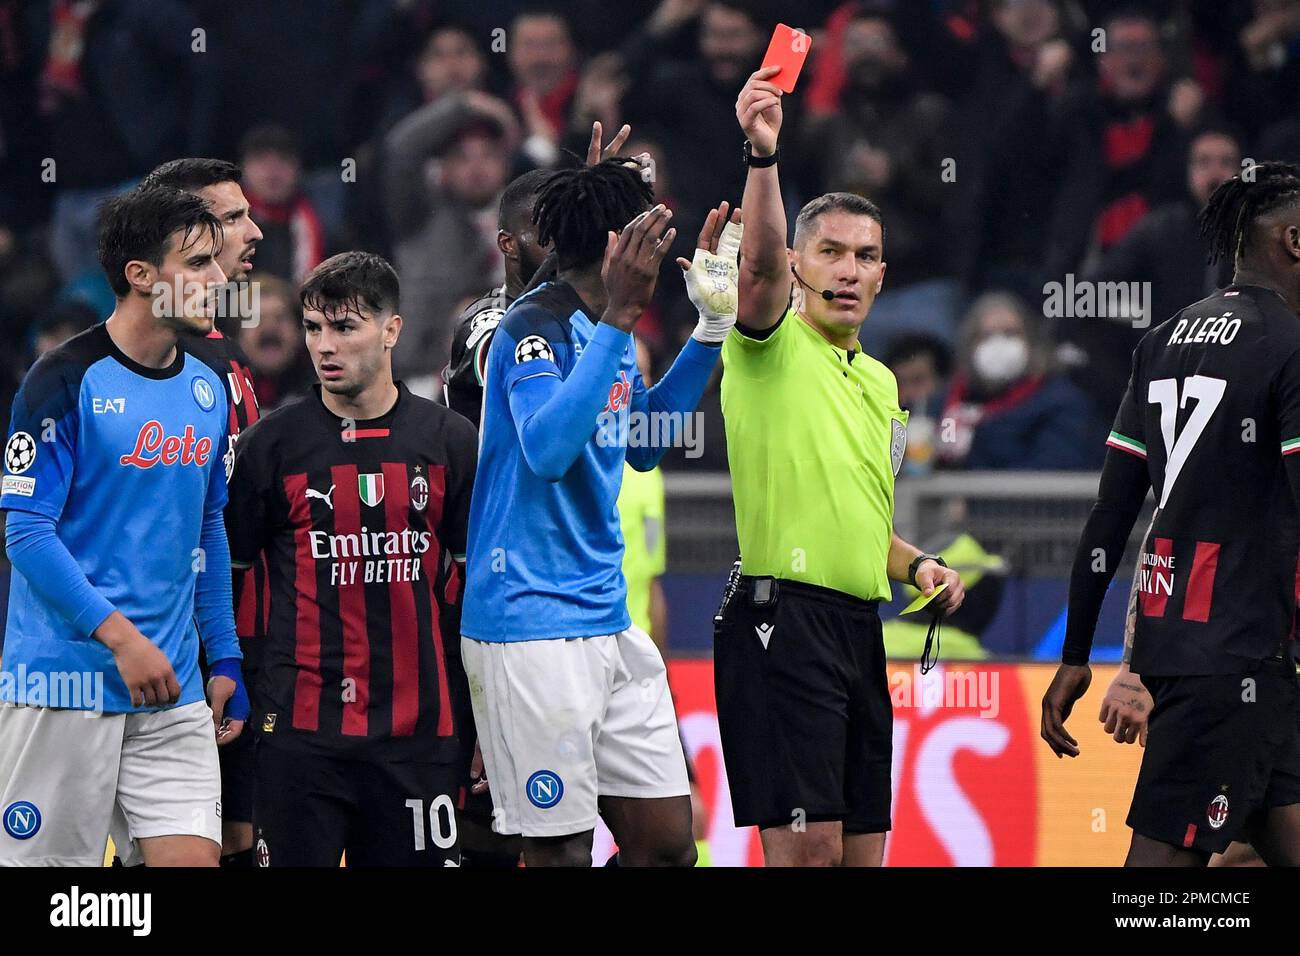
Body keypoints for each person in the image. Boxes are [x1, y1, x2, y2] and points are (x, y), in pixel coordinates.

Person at [713, 66, 965, 868]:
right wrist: (763, 159)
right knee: (809, 854)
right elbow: (750, 272)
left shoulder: (886, 383)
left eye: (866, 256)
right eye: (830, 253)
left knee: (863, 857)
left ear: (884, 274)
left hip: (860, 631)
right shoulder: (766, 343)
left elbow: (863, 520)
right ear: (798, 264)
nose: (849, 270)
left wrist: (918, 562)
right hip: (780, 625)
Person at [460, 159, 735, 867]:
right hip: (530, 625)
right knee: (560, 852)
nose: (659, 236)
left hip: (609, 622)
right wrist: (618, 318)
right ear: (618, 244)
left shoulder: (607, 331)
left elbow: (641, 443)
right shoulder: (532, 327)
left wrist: (711, 329)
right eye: (647, 222)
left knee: (670, 847)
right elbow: (548, 449)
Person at [1042, 162, 1300, 866]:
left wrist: (1076, 656)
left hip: (1232, 657)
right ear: (1295, 241)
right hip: (1230, 660)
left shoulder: (1162, 342)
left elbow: (1110, 516)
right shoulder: (1290, 346)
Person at [0, 185, 246, 866]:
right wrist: (122, 641)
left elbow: (209, 527)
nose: (219, 281)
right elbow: (24, 533)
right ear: (140, 275)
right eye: (197, 263)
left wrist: (221, 652)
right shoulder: (61, 381)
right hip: (66, 684)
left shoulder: (207, 388)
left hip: (171, 692)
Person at [225, 252, 477, 867]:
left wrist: (484, 722)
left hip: (418, 737)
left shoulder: (450, 441)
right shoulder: (270, 447)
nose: (323, 346)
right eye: (314, 328)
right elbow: (226, 584)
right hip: (299, 739)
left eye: (345, 327)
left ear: (392, 330)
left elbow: (476, 594)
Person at [139, 156, 267, 868]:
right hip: (174, 656)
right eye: (230, 219)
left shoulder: (218, 350)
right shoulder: (160, 359)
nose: (252, 233)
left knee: (238, 839)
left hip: (229, 641)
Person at [935, 291, 1100, 470]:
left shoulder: (1062, 402)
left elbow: (1053, 473)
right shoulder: (944, 403)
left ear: (1031, 341)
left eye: (1011, 333)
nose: (998, 345)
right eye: (986, 335)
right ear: (970, 346)